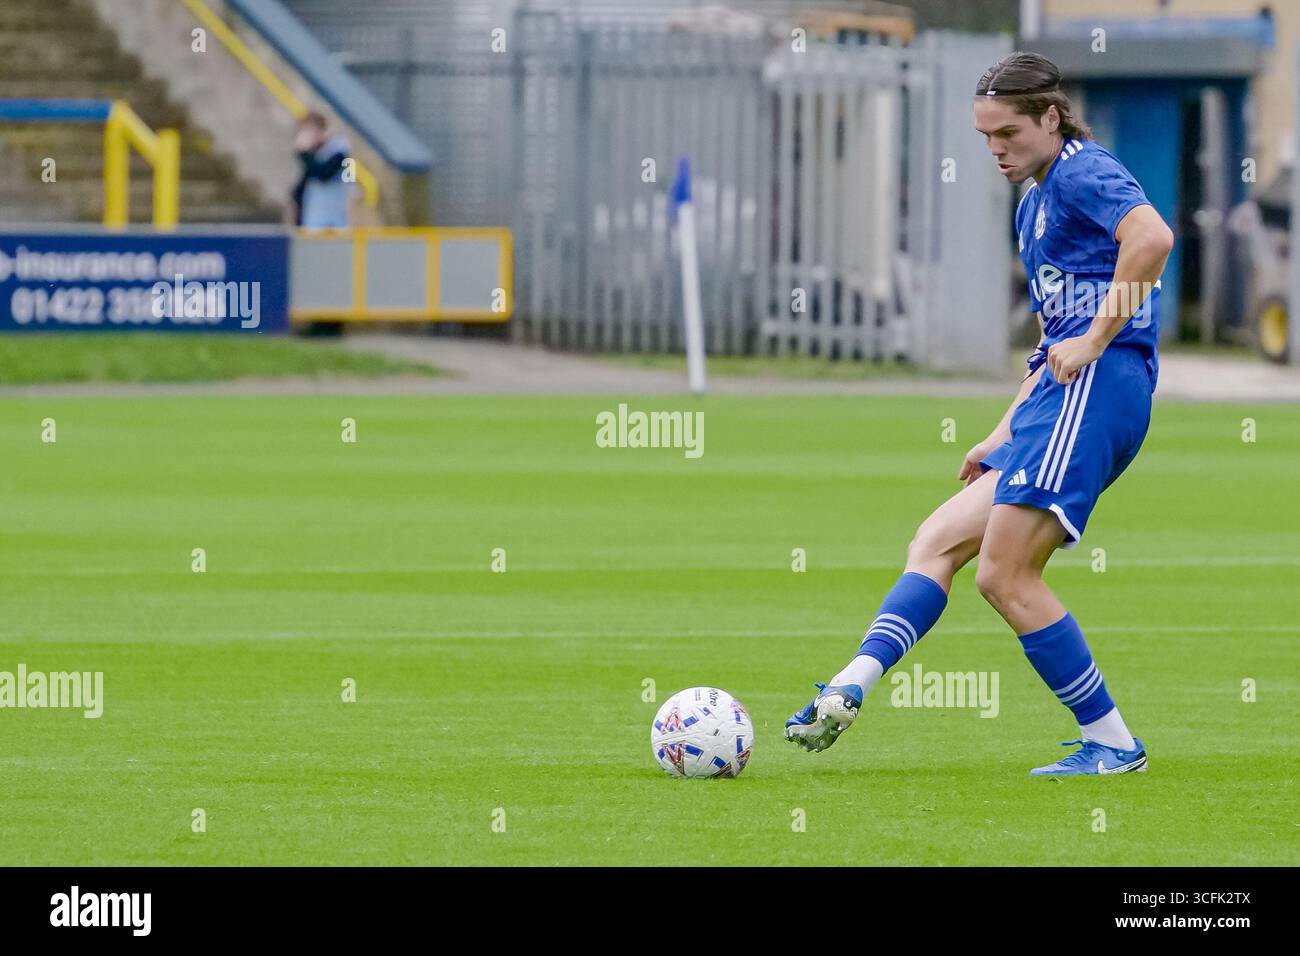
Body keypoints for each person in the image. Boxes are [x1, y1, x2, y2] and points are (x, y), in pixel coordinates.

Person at [784, 51, 1175, 776]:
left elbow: (1152, 241)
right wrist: (1004, 430)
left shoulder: (1084, 170)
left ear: (1050, 117)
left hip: (1100, 389)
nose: (997, 150)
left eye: (1009, 135)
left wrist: (1094, 338)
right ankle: (849, 687)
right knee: (935, 540)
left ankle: (1116, 744)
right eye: (986, 137)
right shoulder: (1034, 203)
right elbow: (1050, 339)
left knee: (1004, 574)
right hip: (1056, 399)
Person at [291, 111, 352, 229]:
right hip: (313, 220)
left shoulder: (339, 151)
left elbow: (324, 174)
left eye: (308, 133)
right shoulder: (314, 154)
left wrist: (304, 154)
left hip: (333, 221)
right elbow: (302, 186)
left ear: (321, 132)